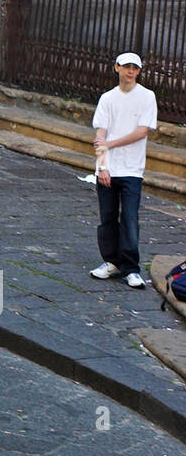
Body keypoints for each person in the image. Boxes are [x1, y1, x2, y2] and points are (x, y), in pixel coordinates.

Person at [90, 52, 158, 289]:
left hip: (132, 169)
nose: (130, 71)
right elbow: (100, 135)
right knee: (107, 218)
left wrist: (110, 144)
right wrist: (103, 166)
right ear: (117, 68)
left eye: (135, 68)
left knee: (129, 217)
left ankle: (131, 268)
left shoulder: (147, 97)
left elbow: (142, 132)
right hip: (109, 168)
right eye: (126, 67)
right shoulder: (107, 98)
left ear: (139, 71)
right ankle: (111, 261)